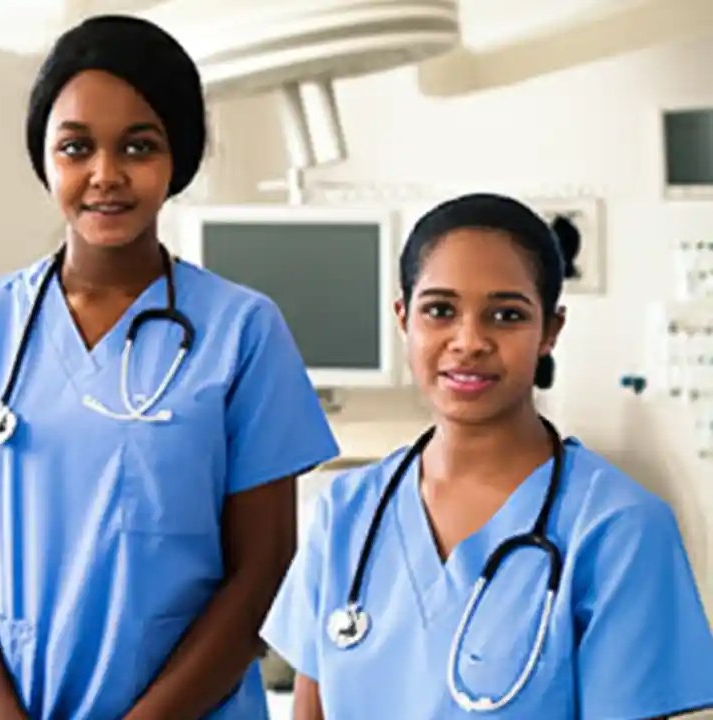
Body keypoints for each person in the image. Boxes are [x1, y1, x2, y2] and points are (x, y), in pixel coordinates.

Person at [0, 15, 339, 720]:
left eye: (139, 145)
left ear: (178, 159)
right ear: (46, 157)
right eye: (76, 147)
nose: (106, 174)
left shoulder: (242, 332)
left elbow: (263, 573)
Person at [262, 192, 713, 719]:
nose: (469, 340)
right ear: (404, 318)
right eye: (440, 311)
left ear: (550, 331)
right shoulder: (344, 513)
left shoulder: (618, 528)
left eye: (505, 315)